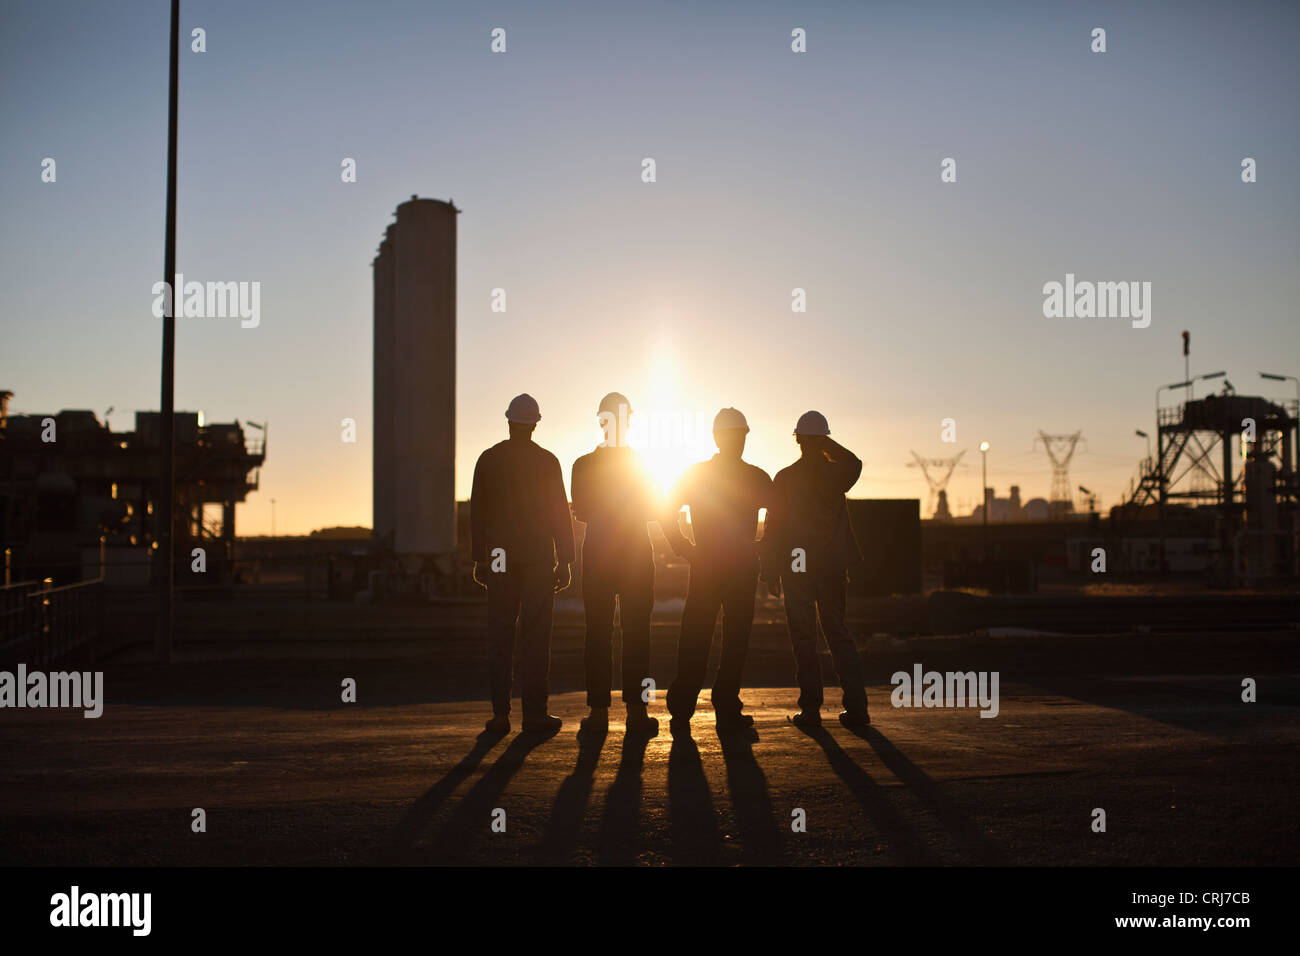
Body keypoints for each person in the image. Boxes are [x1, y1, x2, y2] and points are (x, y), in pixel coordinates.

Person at [661, 407, 772, 735]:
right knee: (731, 639)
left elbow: (666, 508)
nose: (738, 441)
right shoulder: (755, 477)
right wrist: (764, 546)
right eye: (737, 436)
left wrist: (685, 548)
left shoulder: (697, 475)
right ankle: (722, 708)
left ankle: (684, 708)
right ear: (741, 436)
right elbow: (782, 515)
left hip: (708, 567)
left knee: (699, 635)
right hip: (735, 568)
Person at [469, 393, 573, 735]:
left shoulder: (488, 459)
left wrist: (480, 558)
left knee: (500, 633)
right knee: (536, 636)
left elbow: (478, 511)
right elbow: (560, 513)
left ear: (509, 422)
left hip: (500, 556)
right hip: (540, 556)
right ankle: (534, 715)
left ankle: (500, 716)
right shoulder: (548, 462)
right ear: (535, 424)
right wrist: (567, 560)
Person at [763, 410, 870, 729]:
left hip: (798, 566)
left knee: (804, 638)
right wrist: (826, 443)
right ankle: (857, 709)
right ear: (823, 439)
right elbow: (855, 463)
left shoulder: (784, 478)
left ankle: (811, 711)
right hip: (831, 566)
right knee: (837, 633)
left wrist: (769, 569)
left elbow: (774, 526)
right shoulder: (836, 474)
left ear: (797, 440)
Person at [571, 392, 661, 736]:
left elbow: (582, 510)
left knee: (598, 633)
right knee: (637, 634)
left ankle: (598, 713)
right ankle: (638, 712)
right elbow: (654, 507)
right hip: (635, 553)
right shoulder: (643, 464)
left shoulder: (583, 465)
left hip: (599, 553)